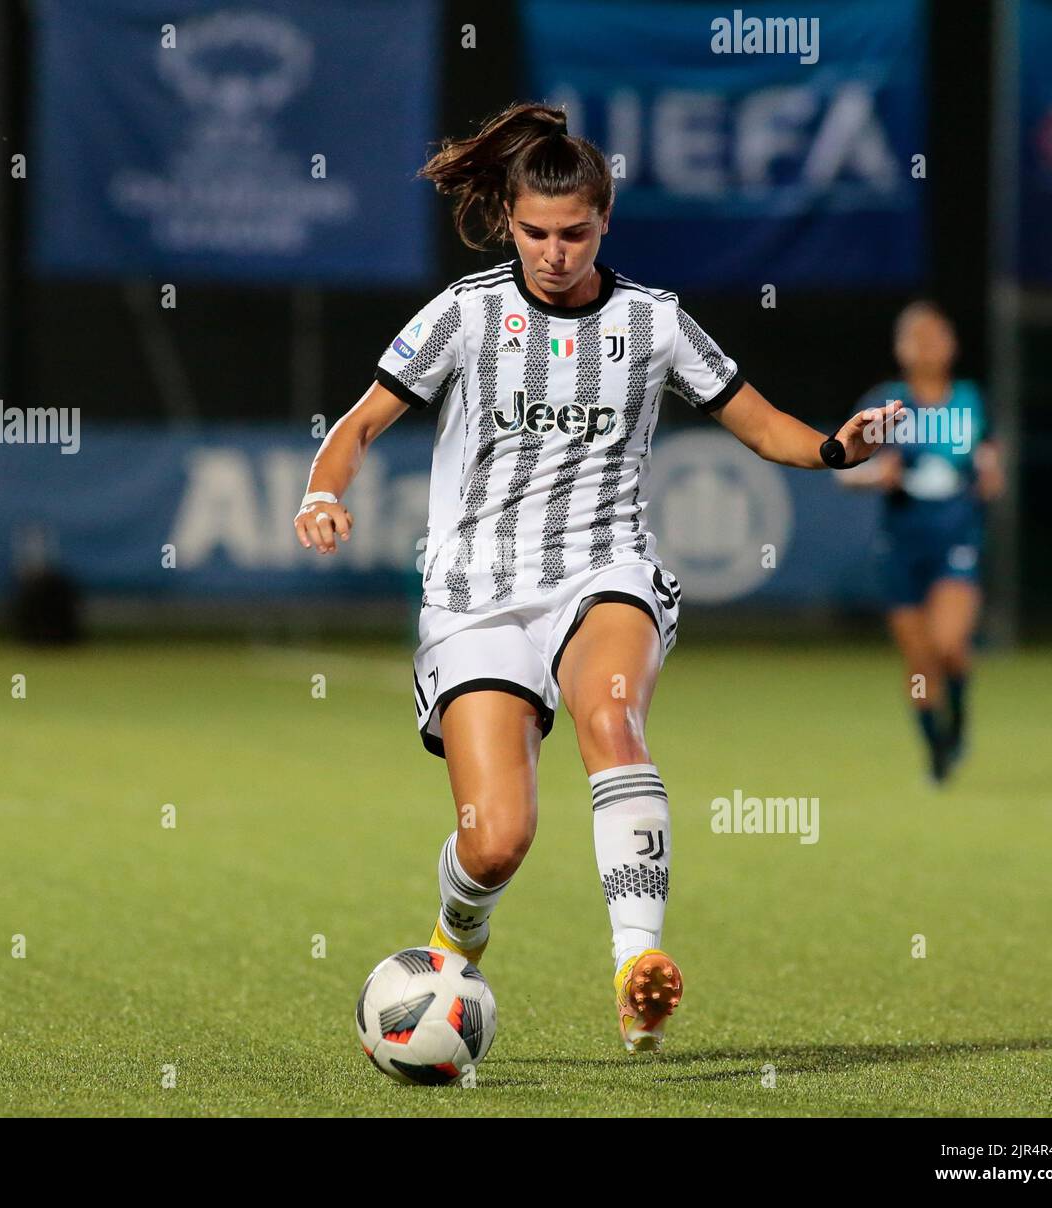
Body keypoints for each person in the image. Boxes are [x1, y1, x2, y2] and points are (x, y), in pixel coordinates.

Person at [293, 102, 898, 1053]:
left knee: (612, 718)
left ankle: (635, 968)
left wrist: (833, 447)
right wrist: (321, 494)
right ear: (509, 220)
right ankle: (459, 935)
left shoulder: (654, 324)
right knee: (496, 839)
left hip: (602, 571)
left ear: (604, 222)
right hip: (475, 595)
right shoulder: (467, 313)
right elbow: (360, 423)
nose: (555, 251)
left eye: (575, 233)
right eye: (536, 232)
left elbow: (757, 421)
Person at [839, 302, 1003, 782]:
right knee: (918, 660)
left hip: (957, 537)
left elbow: (992, 456)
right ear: (900, 347)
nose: (927, 347)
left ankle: (959, 714)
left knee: (949, 643)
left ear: (952, 345)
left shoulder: (971, 400)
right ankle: (936, 748)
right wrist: (873, 476)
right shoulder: (887, 403)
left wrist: (993, 474)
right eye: (917, 338)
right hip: (901, 545)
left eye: (936, 337)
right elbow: (842, 469)